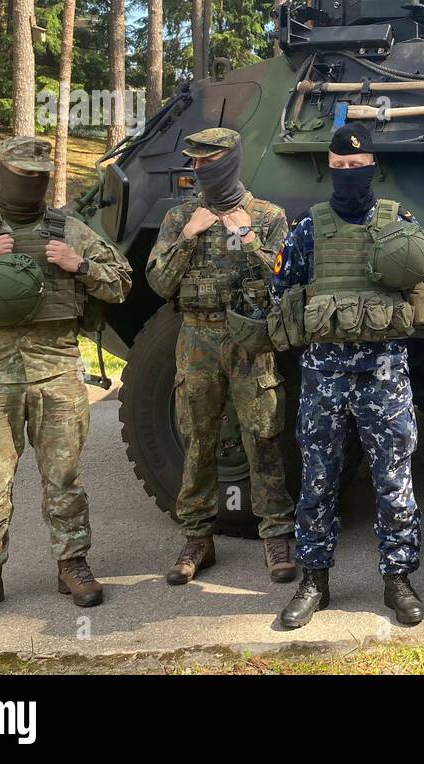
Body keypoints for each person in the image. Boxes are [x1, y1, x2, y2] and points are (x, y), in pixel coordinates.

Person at [0, 137, 132, 628]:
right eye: (21, 175)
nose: (30, 185)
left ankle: (71, 564)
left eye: (39, 177)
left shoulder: (69, 232)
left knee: (65, 480)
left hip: (56, 373)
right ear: (5, 176)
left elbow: (122, 283)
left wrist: (81, 266)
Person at [271, 122, 424, 627]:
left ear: (373, 167)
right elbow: (281, 292)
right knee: (318, 481)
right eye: (340, 167)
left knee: (394, 480)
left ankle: (398, 581)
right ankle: (313, 582)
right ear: (330, 169)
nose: (349, 174)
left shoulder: (401, 226)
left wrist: (393, 307)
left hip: (384, 374)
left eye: (358, 166)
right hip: (324, 375)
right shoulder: (307, 228)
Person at [146, 128, 297, 584]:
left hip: (249, 341)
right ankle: (196, 538)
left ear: (229, 162)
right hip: (197, 340)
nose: (198, 170)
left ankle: (276, 537)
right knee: (197, 439)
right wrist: (189, 236)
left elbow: (283, 282)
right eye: (194, 163)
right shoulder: (179, 218)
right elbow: (159, 284)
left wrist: (248, 240)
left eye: (207, 162)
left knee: (263, 437)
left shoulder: (268, 216)